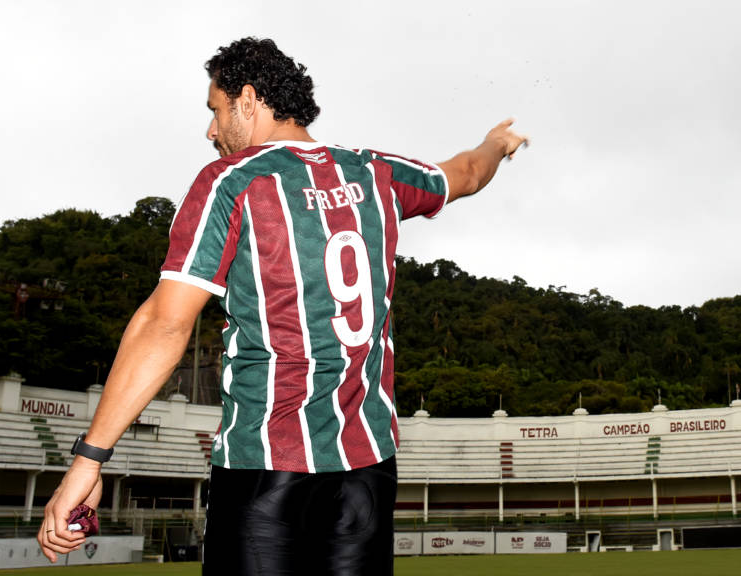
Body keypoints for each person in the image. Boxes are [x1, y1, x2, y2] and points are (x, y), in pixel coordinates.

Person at [38, 37, 528, 575]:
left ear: (248, 100)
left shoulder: (234, 181)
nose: (210, 130)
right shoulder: (376, 173)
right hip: (367, 473)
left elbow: (164, 324)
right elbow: (468, 174)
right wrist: (496, 142)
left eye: (215, 110)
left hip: (263, 471)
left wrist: (89, 459)